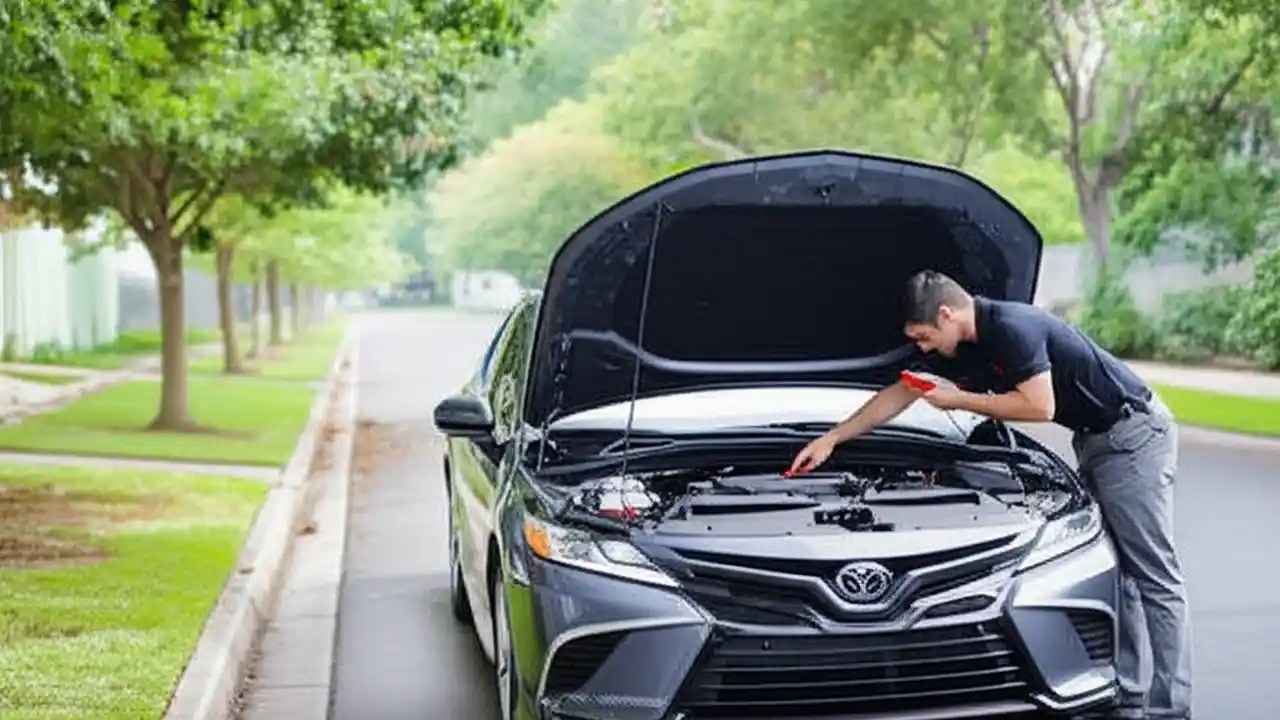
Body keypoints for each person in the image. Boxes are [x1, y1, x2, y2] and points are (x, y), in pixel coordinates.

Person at [789, 269, 1192, 720]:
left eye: (923, 336)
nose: (921, 347)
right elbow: (902, 391)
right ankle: (1131, 698)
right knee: (1123, 573)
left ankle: (1170, 710)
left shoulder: (1012, 328)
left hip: (1134, 435)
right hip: (1097, 438)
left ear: (946, 314)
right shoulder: (968, 343)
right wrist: (833, 439)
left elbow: (1041, 407)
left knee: (1154, 576)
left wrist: (957, 400)